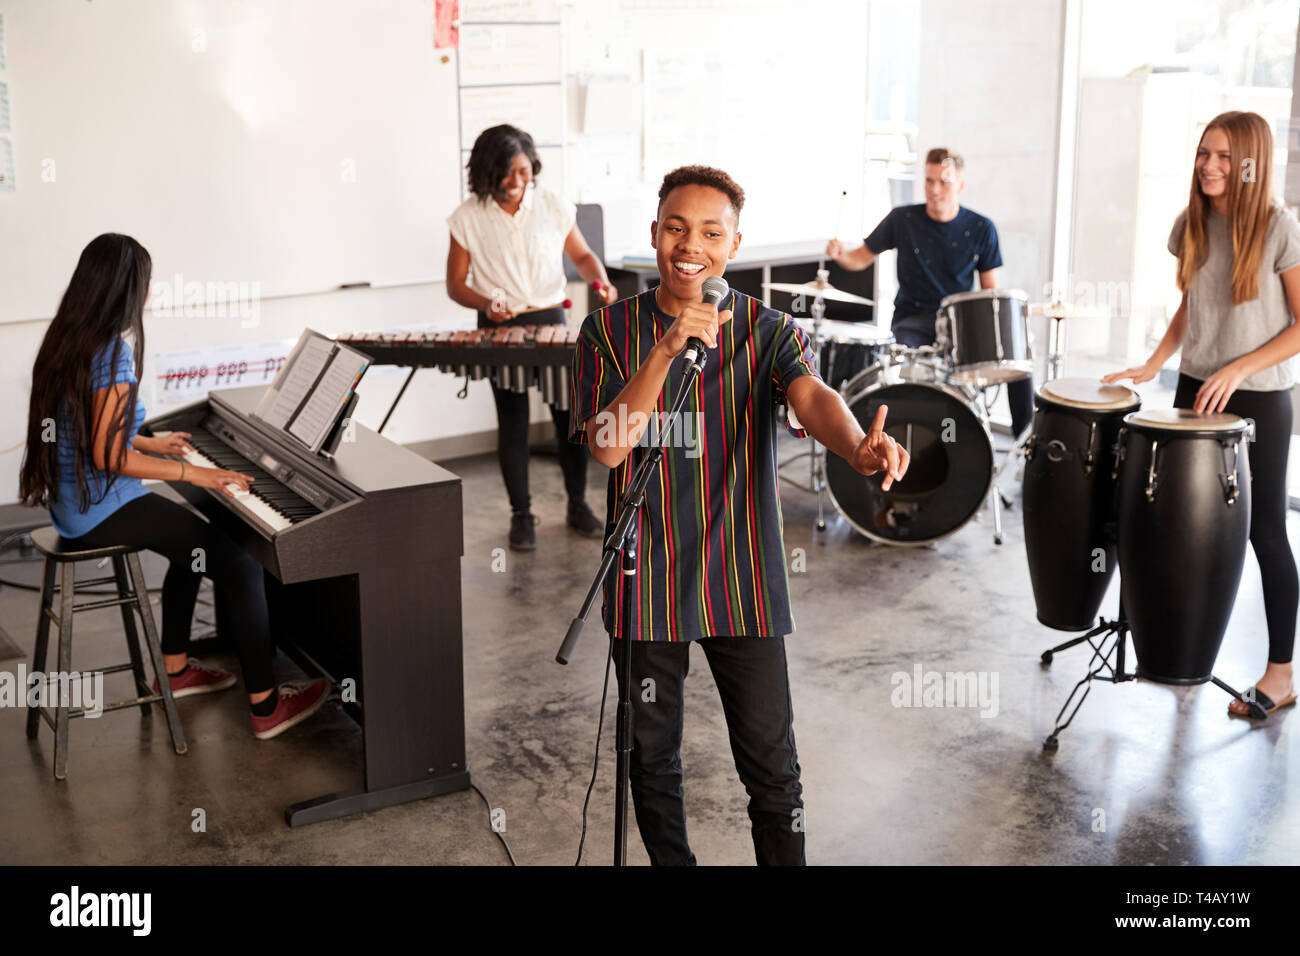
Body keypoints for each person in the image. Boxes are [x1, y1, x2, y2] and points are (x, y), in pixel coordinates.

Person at [570, 165, 909, 865]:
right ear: (656, 234)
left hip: (740, 577)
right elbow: (608, 450)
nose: (690, 245)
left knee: (773, 773)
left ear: (733, 244)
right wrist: (667, 350)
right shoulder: (607, 333)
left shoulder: (768, 330)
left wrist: (856, 448)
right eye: (676, 227)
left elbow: (812, 397)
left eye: (709, 232)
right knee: (652, 761)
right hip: (646, 580)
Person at [19, 234, 331, 740]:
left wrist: (150, 441)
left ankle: (179, 668)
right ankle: (266, 706)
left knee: (194, 546)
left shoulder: (67, 340)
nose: (148, 294)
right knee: (239, 562)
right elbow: (108, 456)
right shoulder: (112, 355)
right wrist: (196, 472)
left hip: (74, 506)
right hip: (100, 509)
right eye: (144, 283)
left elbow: (92, 430)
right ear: (125, 289)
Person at [1104, 111, 1300, 720]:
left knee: (1263, 529)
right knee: (1185, 526)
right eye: (1202, 154)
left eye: (1222, 156)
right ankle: (1181, 653)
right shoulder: (1191, 223)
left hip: (1258, 395)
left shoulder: (1278, 229)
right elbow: (1193, 305)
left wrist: (1239, 370)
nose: (1209, 166)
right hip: (1196, 387)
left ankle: (1281, 673)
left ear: (1249, 160)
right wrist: (1154, 362)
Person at [446, 124, 616, 551]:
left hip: (551, 318)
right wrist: (486, 303)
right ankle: (521, 515)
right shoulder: (467, 217)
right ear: (487, 173)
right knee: (514, 422)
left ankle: (578, 504)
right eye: (508, 174)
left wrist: (601, 282)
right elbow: (455, 283)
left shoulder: (552, 205)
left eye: (525, 172)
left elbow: (581, 255)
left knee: (569, 421)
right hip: (500, 324)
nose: (519, 182)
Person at [827, 147, 1035, 438]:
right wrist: (840, 255)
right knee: (905, 367)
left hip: (961, 325)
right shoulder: (902, 219)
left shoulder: (981, 227)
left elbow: (991, 296)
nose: (934, 189)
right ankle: (904, 440)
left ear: (960, 185)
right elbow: (860, 258)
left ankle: (1024, 449)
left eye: (944, 181)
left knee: (1019, 366)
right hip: (911, 319)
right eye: (929, 180)